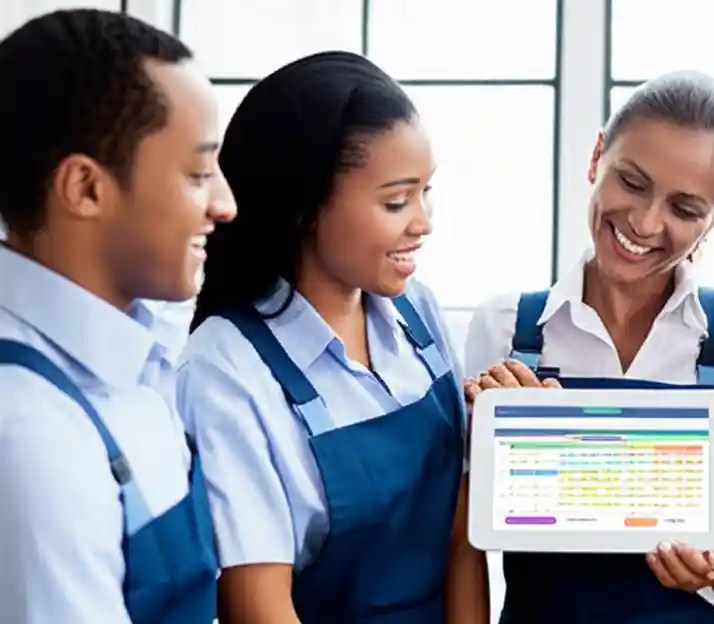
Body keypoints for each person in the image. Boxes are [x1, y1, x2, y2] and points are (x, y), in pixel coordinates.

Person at [464, 71, 714, 623]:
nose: (647, 223)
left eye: (685, 209)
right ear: (596, 156)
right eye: (631, 182)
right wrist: (504, 440)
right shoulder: (506, 331)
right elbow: (462, 534)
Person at [175, 51, 487, 623]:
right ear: (305, 205)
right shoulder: (226, 368)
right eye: (396, 201)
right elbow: (257, 607)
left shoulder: (417, 311)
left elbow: (460, 533)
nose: (423, 222)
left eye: (426, 192)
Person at [0, 8, 235, 622]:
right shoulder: (31, 435)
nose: (225, 204)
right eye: (199, 173)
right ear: (86, 188)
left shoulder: (139, 356)